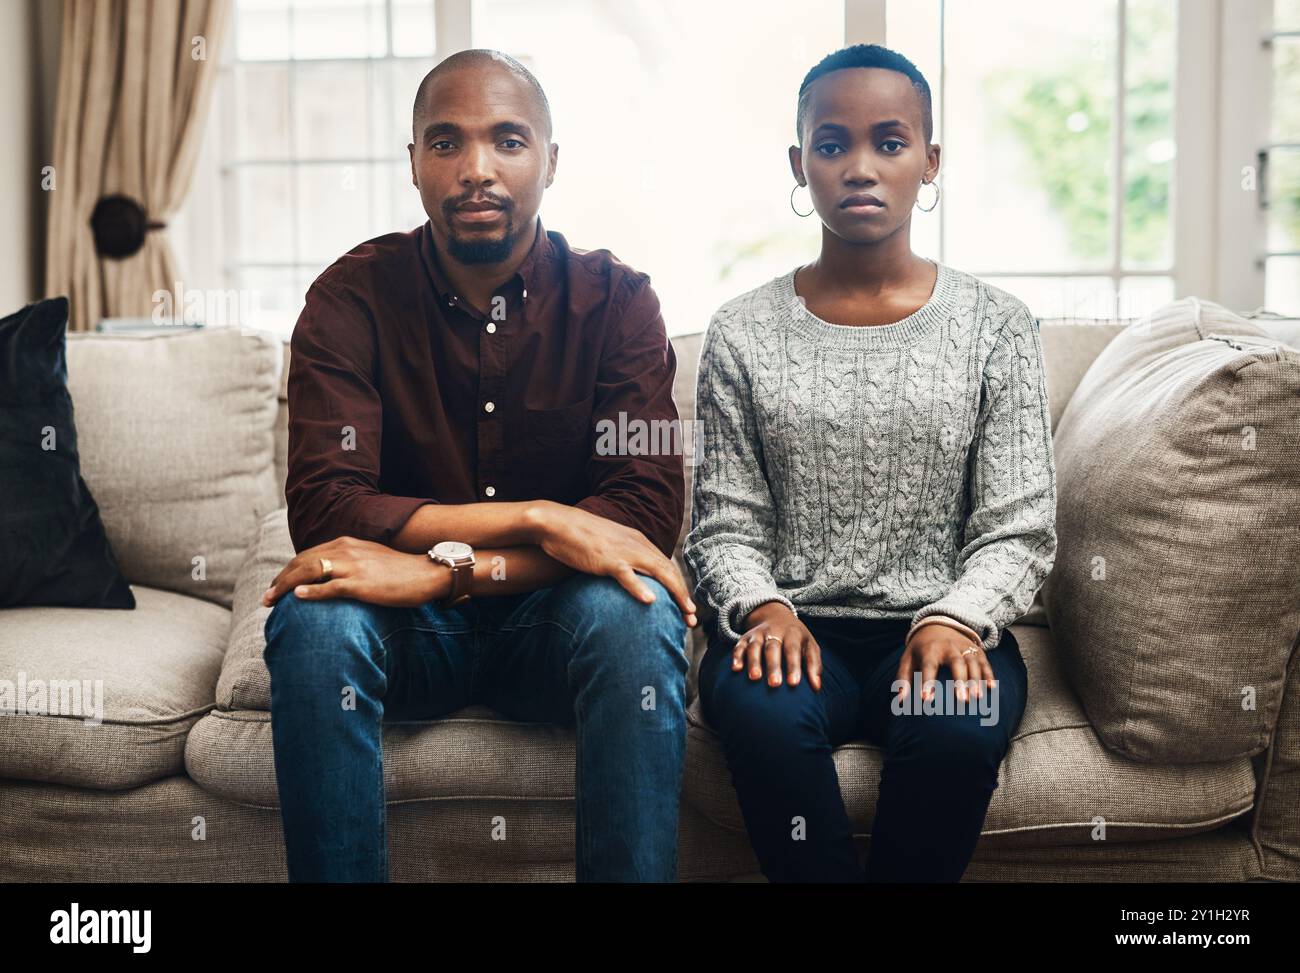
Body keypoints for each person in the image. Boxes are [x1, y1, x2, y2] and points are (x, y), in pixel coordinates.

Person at [260, 49, 697, 883]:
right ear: (414, 163)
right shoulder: (350, 298)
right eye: (447, 143)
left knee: (634, 614)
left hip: (552, 623)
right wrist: (542, 518)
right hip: (406, 638)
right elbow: (326, 506)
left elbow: (641, 518)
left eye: (508, 140)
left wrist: (441, 575)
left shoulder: (618, 302)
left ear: (551, 160)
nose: (477, 170)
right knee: (315, 623)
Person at [683, 43, 1057, 883]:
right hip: (794, 626)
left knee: (958, 723)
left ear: (931, 161)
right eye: (831, 144)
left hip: (941, 624)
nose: (860, 167)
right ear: (799, 162)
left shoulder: (996, 325)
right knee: (766, 719)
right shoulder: (742, 331)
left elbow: (1019, 525)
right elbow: (723, 523)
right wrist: (761, 609)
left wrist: (956, 617)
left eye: (890, 143)